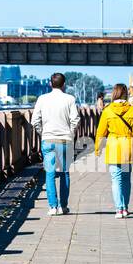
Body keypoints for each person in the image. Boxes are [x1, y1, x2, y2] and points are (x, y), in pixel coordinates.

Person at [31, 72, 80, 215]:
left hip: (48, 140)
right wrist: (70, 134)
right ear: (64, 84)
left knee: (50, 174)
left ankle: (53, 207)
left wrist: (43, 133)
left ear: (50, 84)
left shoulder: (42, 99)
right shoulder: (70, 99)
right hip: (65, 141)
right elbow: (75, 120)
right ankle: (63, 206)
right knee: (64, 173)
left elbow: (35, 121)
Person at [96, 83, 133, 218]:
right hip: (128, 147)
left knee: (116, 179)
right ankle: (125, 208)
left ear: (114, 94)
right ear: (126, 94)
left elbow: (100, 132)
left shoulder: (108, 110)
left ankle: (119, 209)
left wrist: (97, 149)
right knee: (126, 178)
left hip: (113, 147)